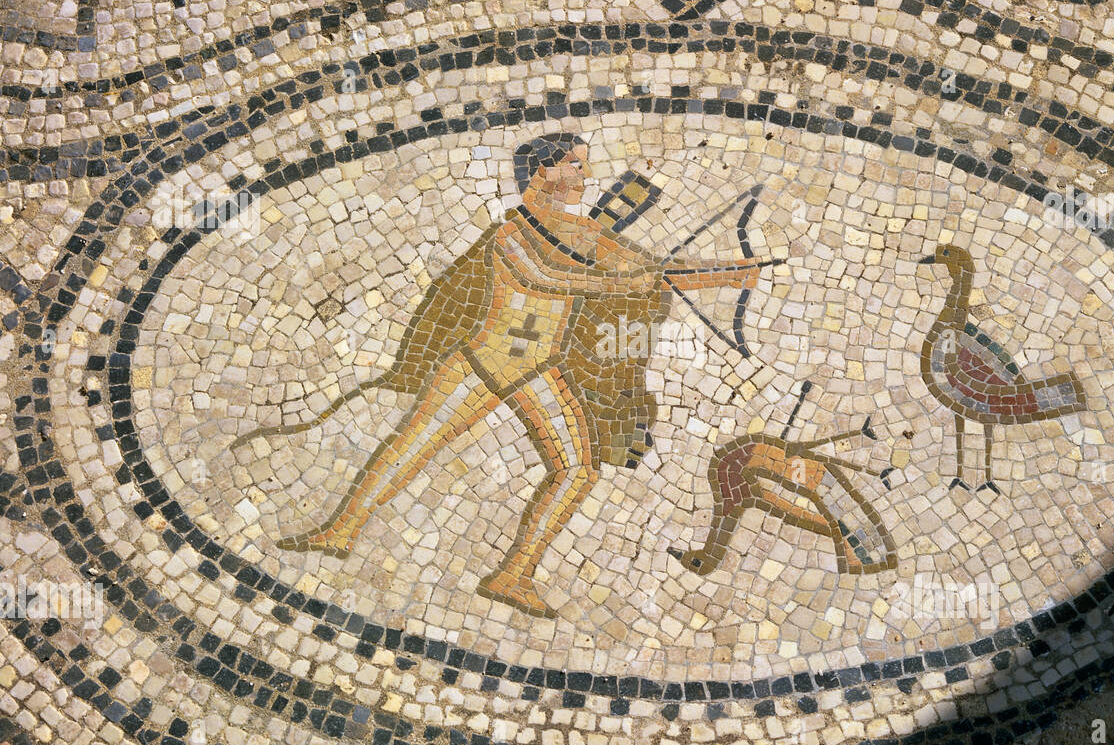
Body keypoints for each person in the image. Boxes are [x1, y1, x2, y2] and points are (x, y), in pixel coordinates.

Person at [270, 133, 779, 617]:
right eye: (574, 164)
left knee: (578, 469)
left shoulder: (587, 233)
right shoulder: (512, 230)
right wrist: (612, 280)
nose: (585, 174)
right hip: (480, 363)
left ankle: (513, 573)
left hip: (538, 367)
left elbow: (656, 266)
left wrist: (729, 273)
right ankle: (338, 531)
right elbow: (543, 276)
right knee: (414, 444)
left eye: (584, 163)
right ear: (541, 172)